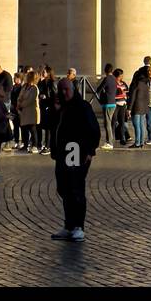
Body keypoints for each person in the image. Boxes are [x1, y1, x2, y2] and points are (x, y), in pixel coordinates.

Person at [50, 78, 100, 242]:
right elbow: (49, 126)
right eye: (61, 90)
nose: (63, 93)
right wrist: (55, 111)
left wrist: (90, 150)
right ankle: (69, 225)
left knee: (75, 187)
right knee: (64, 188)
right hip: (63, 153)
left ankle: (78, 227)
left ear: (73, 89)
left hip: (75, 150)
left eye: (66, 90)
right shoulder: (61, 107)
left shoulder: (82, 106)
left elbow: (93, 129)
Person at [129, 64, 151, 147]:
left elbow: (133, 96)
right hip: (144, 106)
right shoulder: (146, 83)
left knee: (136, 125)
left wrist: (129, 108)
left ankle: (137, 142)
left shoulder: (136, 83)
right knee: (141, 125)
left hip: (136, 106)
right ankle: (141, 142)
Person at [16, 70, 40, 152]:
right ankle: (25, 145)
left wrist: (21, 105)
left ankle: (34, 146)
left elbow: (30, 100)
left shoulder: (34, 88)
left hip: (31, 111)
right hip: (24, 111)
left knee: (32, 129)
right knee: (24, 128)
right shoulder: (25, 86)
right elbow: (20, 96)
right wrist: (18, 103)